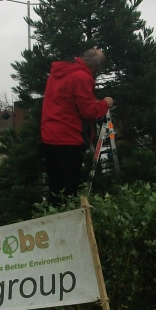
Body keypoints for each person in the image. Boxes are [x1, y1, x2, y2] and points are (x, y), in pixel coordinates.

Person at [41, 48, 113, 204]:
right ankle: (68, 220)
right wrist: (104, 104)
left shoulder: (58, 72)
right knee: (69, 186)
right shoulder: (82, 77)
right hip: (69, 137)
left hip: (49, 135)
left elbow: (65, 101)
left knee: (54, 185)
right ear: (95, 67)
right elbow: (88, 111)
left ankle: (52, 220)